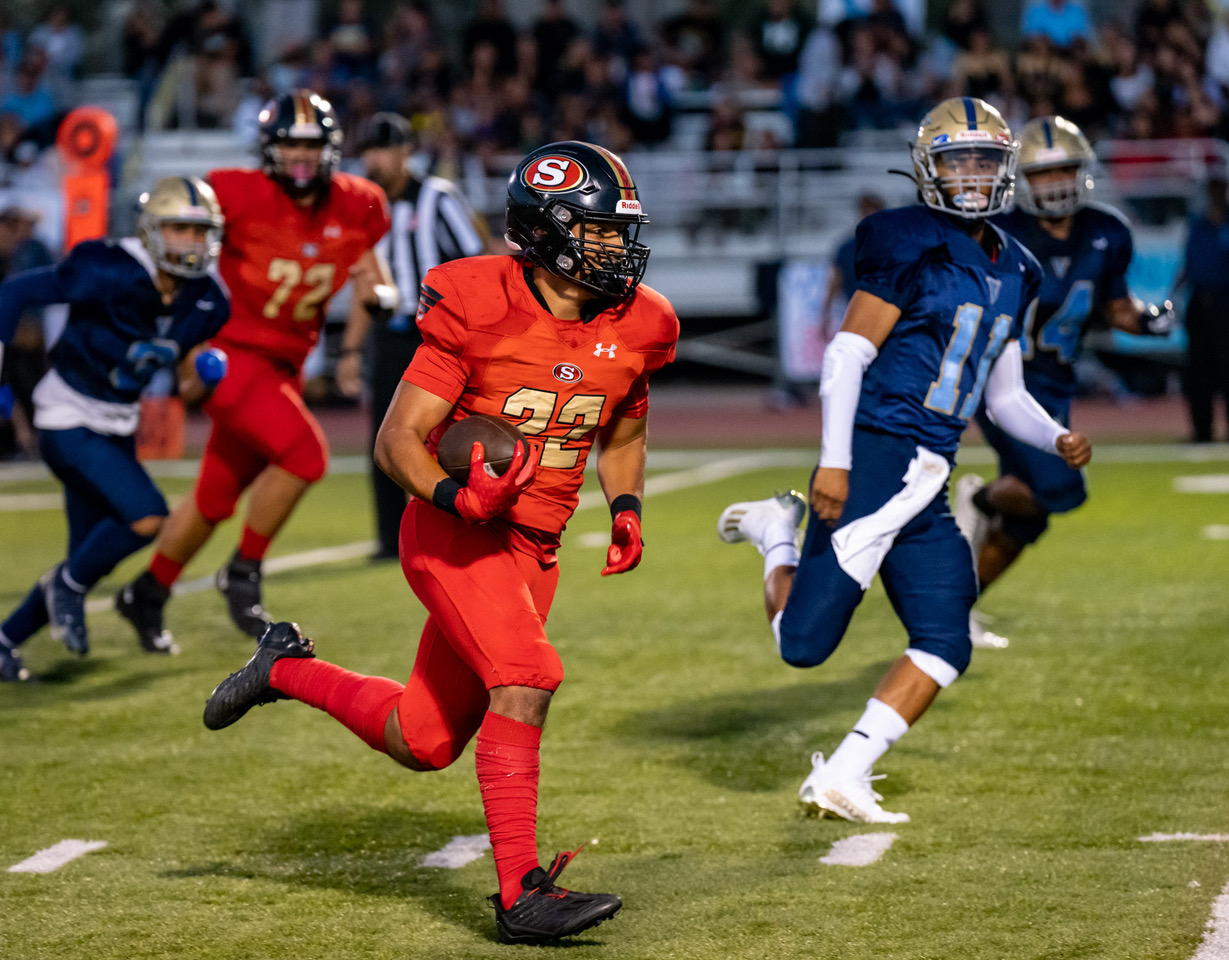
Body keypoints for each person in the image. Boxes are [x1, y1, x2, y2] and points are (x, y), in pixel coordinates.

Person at [200, 140, 678, 943]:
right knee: (527, 675)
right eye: (599, 231)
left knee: (423, 739)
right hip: (455, 531)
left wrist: (624, 504)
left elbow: (624, 430)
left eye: (619, 231)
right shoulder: (475, 300)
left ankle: (283, 666)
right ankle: (520, 892)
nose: (615, 247)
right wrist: (457, 492)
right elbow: (398, 440)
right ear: (547, 232)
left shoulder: (642, 319)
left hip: (538, 546)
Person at [717, 98, 1091, 823]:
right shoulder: (903, 239)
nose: (974, 174)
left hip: (930, 469)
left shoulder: (1018, 265)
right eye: (958, 160)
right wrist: (833, 461)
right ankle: (775, 535)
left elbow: (1005, 394)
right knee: (801, 646)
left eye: (985, 159)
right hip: (878, 456)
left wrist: (1053, 439)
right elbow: (847, 352)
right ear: (928, 167)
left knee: (947, 639)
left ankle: (843, 774)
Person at [116, 89, 394, 651]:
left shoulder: (357, 202)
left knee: (215, 495)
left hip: (286, 364)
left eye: (311, 145)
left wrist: (373, 308)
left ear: (330, 150)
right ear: (268, 148)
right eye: (289, 143)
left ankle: (147, 591)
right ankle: (242, 572)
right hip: (230, 356)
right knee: (306, 455)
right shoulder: (235, 192)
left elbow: (368, 270)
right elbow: (176, 233)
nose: (300, 156)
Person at [955, 116, 1174, 648]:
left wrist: (1146, 320)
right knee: (1060, 490)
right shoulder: (1000, 234)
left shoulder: (1106, 231)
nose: (1055, 186)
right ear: (1021, 181)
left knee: (1031, 522)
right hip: (1004, 382)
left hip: (1057, 384)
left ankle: (953, 610)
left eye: (1065, 172)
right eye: (1043, 175)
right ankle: (980, 501)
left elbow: (1114, 307)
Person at [0, 177, 230, 681]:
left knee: (85, 560)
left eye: (200, 232)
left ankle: (5, 640)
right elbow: (15, 291)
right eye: (179, 229)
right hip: (68, 416)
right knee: (147, 516)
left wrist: (201, 375)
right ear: (150, 230)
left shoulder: (208, 299)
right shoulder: (107, 267)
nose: (191, 243)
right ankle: (66, 587)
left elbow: (185, 389)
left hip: (119, 424)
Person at [357, 111, 487, 561]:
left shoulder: (437, 196)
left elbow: (479, 262)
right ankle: (389, 540)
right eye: (369, 150)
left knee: (450, 435)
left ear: (406, 152)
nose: (375, 159)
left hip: (438, 337)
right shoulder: (366, 205)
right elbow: (362, 280)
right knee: (384, 436)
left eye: (384, 149)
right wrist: (351, 349)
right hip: (389, 333)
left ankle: (466, 522)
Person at [1178, 176, 1229, 444]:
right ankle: (1201, 430)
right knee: (1198, 371)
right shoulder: (1198, 225)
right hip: (1200, 301)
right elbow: (1188, 263)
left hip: (1225, 301)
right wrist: (1175, 293)